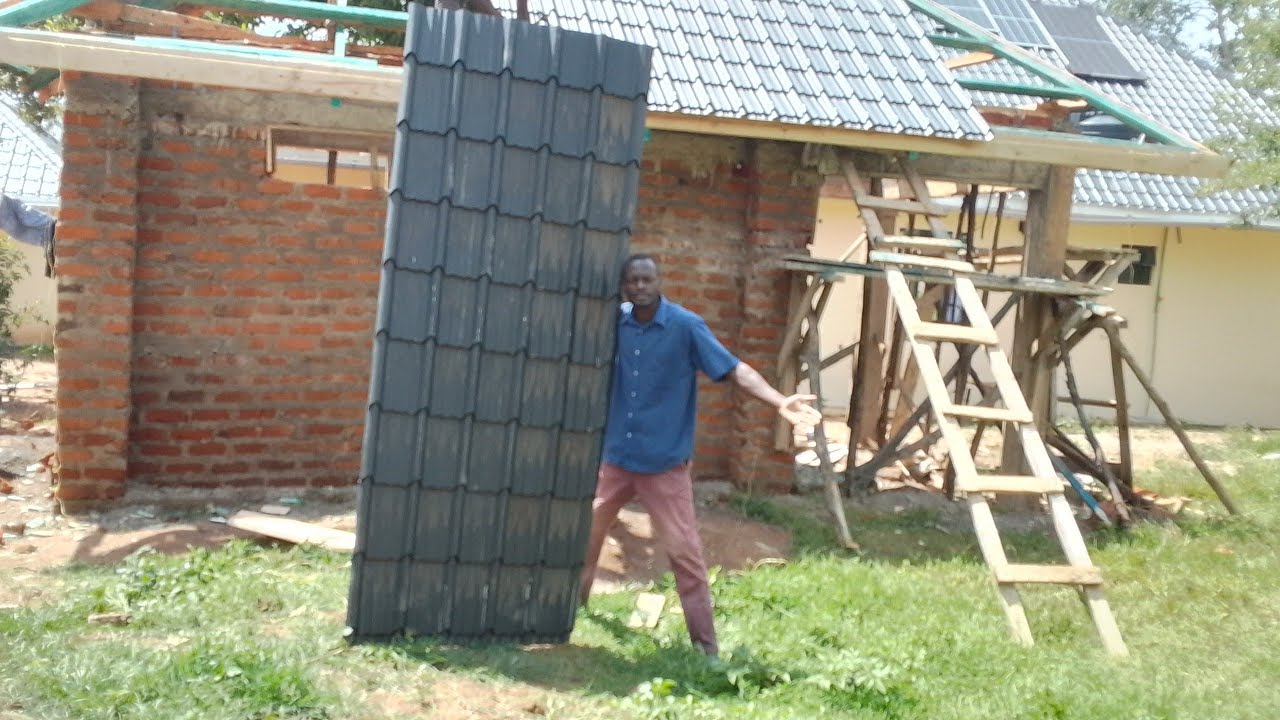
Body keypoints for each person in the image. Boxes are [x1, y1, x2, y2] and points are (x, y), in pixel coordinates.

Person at [578, 254, 823, 657]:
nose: (639, 286)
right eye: (632, 281)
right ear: (624, 286)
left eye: (646, 279)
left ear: (659, 282)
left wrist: (780, 401)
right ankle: (576, 609)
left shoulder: (685, 327)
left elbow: (733, 369)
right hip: (617, 459)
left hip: (663, 465)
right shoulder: (615, 322)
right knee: (586, 537)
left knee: (684, 553)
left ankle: (706, 649)